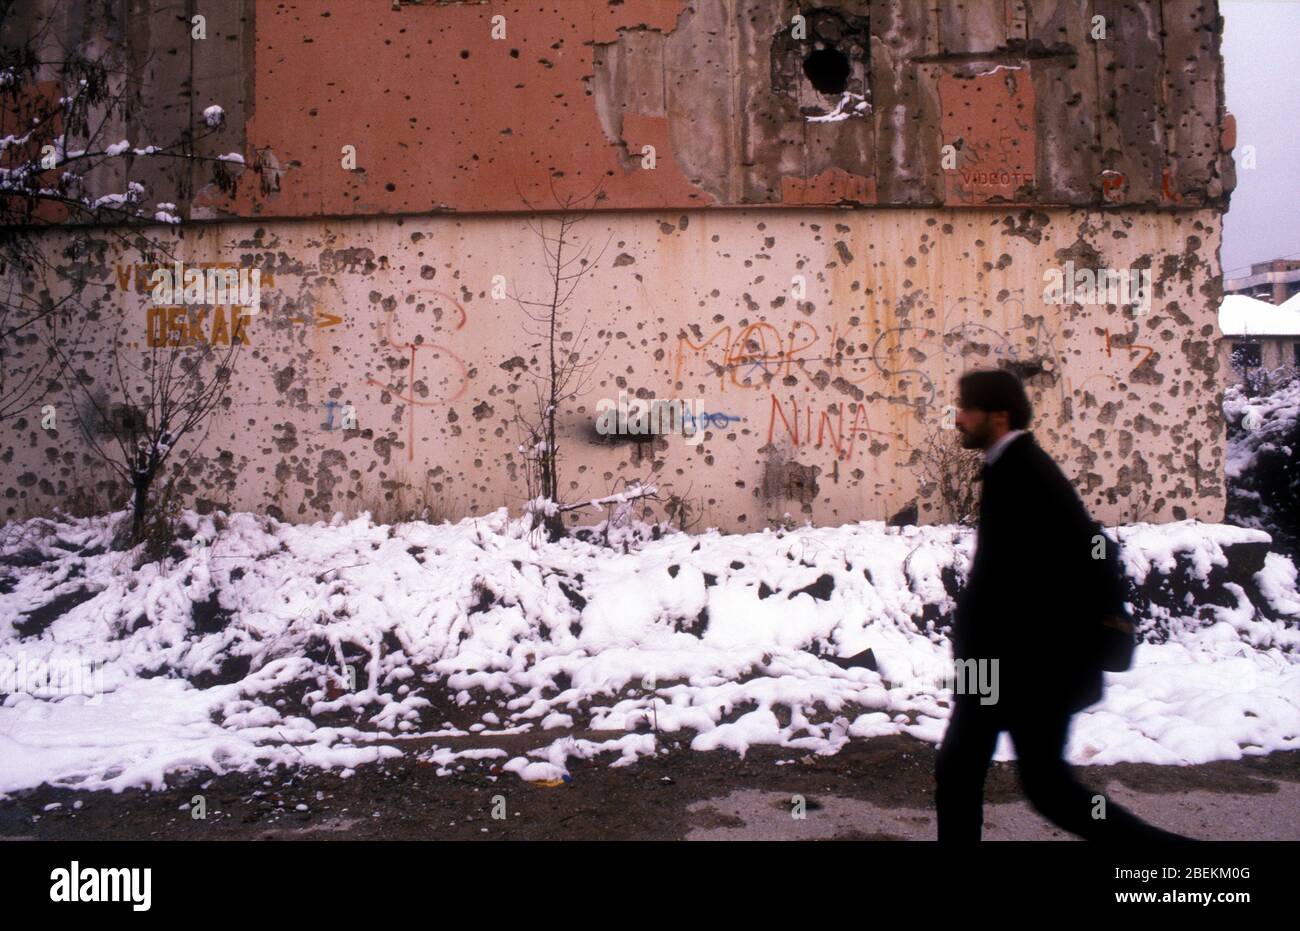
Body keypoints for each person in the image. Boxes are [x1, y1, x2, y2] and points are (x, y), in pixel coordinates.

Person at [935, 369, 1191, 841]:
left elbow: (1094, 549)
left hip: (1028, 666)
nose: (958, 418)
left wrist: (1059, 633)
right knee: (959, 770)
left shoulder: (1027, 471)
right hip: (993, 661)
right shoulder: (1004, 467)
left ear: (999, 414)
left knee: (1046, 789)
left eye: (967, 408)